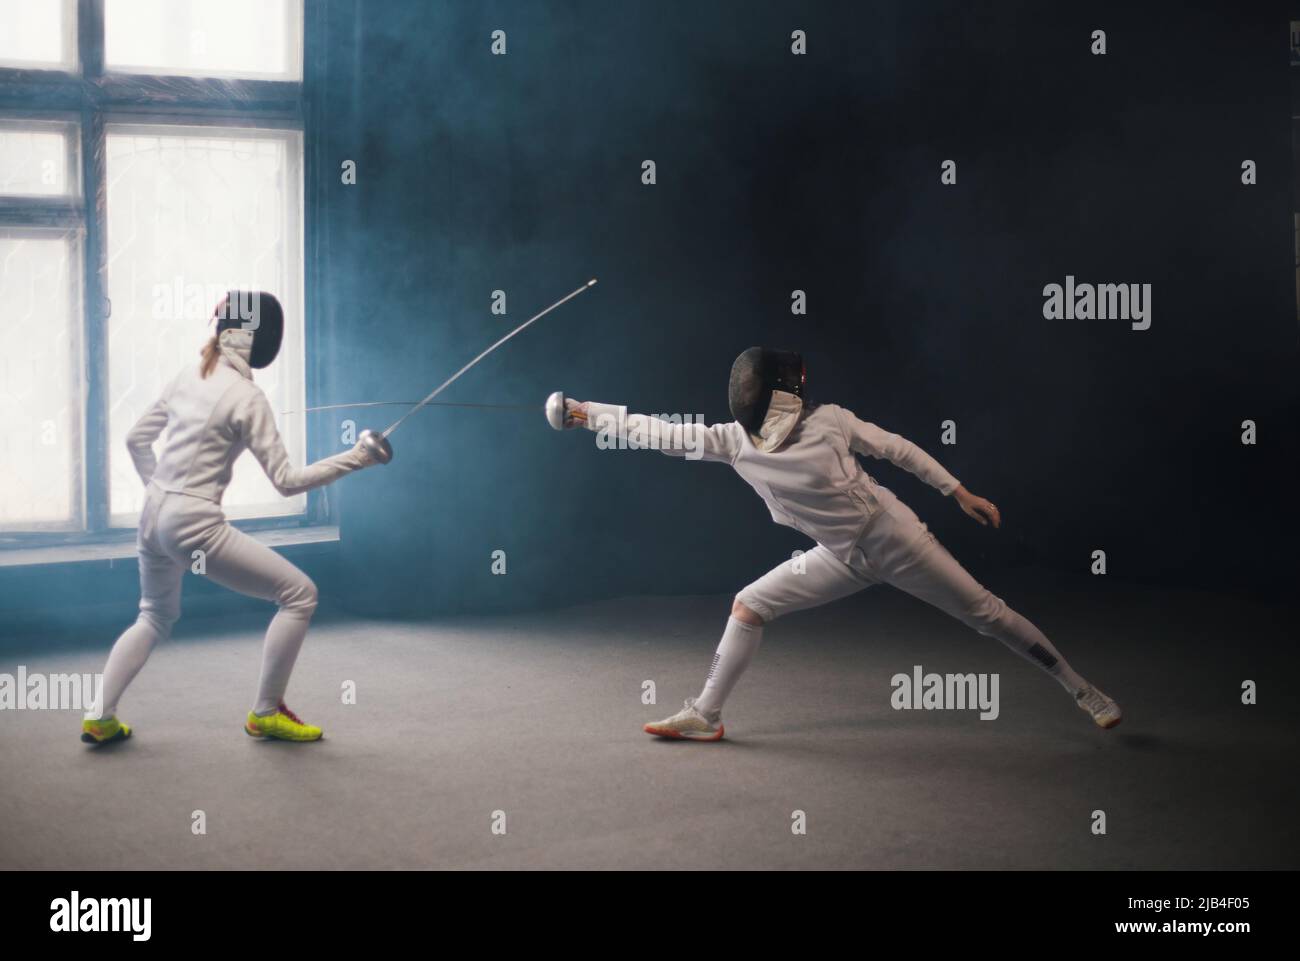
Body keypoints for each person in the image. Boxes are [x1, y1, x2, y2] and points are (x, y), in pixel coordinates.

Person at [558, 347, 1122, 740]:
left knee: (987, 614)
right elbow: (656, 432)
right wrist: (587, 415)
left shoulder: (829, 421)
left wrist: (958, 491)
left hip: (896, 540)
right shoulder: (732, 442)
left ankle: (1083, 691)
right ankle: (706, 714)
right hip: (840, 556)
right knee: (749, 605)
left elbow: (897, 449)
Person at [81, 291, 380, 745]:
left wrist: (162, 494)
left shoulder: (189, 374)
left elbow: (135, 441)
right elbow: (286, 481)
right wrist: (357, 458)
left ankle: (99, 717)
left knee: (154, 615)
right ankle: (265, 712)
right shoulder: (246, 396)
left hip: (153, 515)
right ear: (261, 338)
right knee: (299, 595)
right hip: (192, 524)